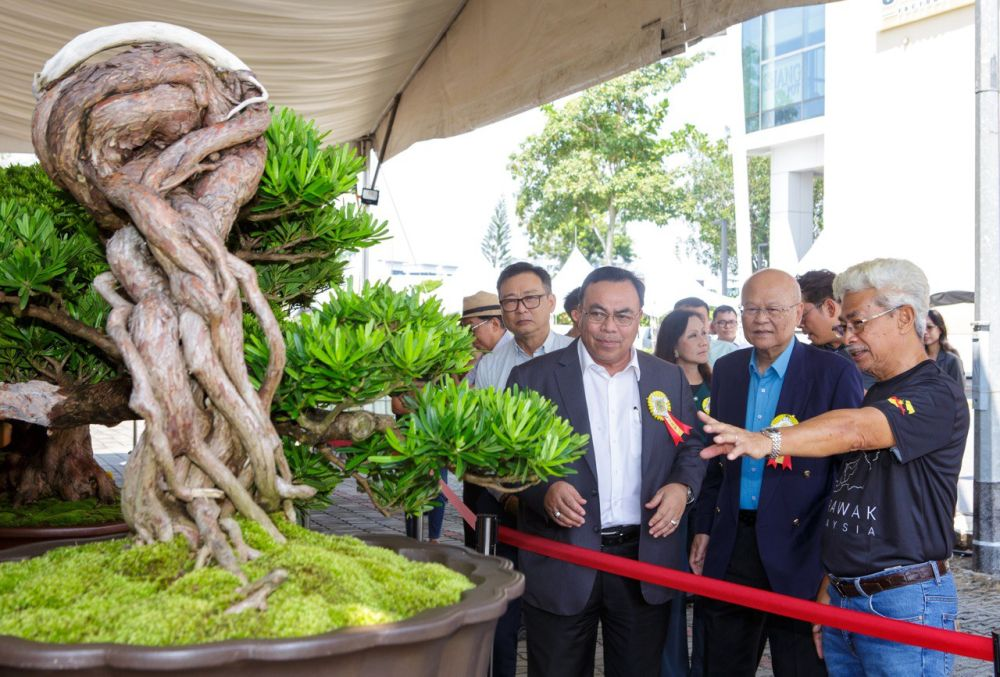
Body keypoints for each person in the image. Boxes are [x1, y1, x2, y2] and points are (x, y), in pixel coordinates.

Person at [698, 258, 969, 676]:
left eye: (858, 323)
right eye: (844, 326)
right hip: (843, 593)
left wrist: (763, 440)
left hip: (902, 599)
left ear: (904, 318)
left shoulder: (936, 393)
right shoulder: (876, 390)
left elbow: (854, 431)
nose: (848, 338)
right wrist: (832, 582)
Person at [508, 266, 707, 677]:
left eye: (623, 315)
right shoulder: (532, 379)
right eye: (597, 314)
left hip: (642, 560)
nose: (609, 328)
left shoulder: (667, 378)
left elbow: (690, 446)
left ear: (640, 318)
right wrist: (541, 491)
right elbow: (507, 460)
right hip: (561, 557)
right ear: (578, 315)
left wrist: (682, 488)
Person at [690, 268, 864, 677]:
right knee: (723, 663)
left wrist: (833, 561)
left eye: (773, 308)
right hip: (734, 541)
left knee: (801, 664)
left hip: (803, 547)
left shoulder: (832, 372)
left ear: (799, 311)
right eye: (751, 308)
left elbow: (850, 474)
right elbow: (718, 457)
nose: (761, 318)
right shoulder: (729, 369)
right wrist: (703, 527)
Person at [468, 261, 572, 677]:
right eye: (510, 301)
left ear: (550, 302)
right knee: (500, 612)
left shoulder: (575, 354)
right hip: (499, 502)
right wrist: (508, 495)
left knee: (556, 612)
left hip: (564, 499)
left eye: (531, 298)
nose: (521, 309)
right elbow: (481, 437)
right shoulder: (491, 363)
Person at [654, 309, 712, 677]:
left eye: (705, 333)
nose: (704, 340)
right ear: (673, 345)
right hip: (672, 502)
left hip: (711, 503)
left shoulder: (720, 385)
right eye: (693, 335)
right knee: (669, 596)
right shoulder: (658, 389)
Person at [797, 270, 876, 390]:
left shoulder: (875, 348)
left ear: (830, 308)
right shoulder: (807, 358)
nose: (798, 324)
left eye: (803, 315)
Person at [459, 290, 509, 387]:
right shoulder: (486, 354)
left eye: (470, 329)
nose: (469, 339)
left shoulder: (513, 354)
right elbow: (463, 388)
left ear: (495, 324)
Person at [675, 297, 738, 367]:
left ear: (708, 323)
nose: (694, 323)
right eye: (686, 320)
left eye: (700, 318)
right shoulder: (663, 363)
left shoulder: (731, 350)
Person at [924, 308, 965, 386]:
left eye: (929, 327)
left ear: (940, 329)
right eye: (922, 328)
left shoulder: (952, 360)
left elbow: (959, 393)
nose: (925, 332)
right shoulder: (917, 358)